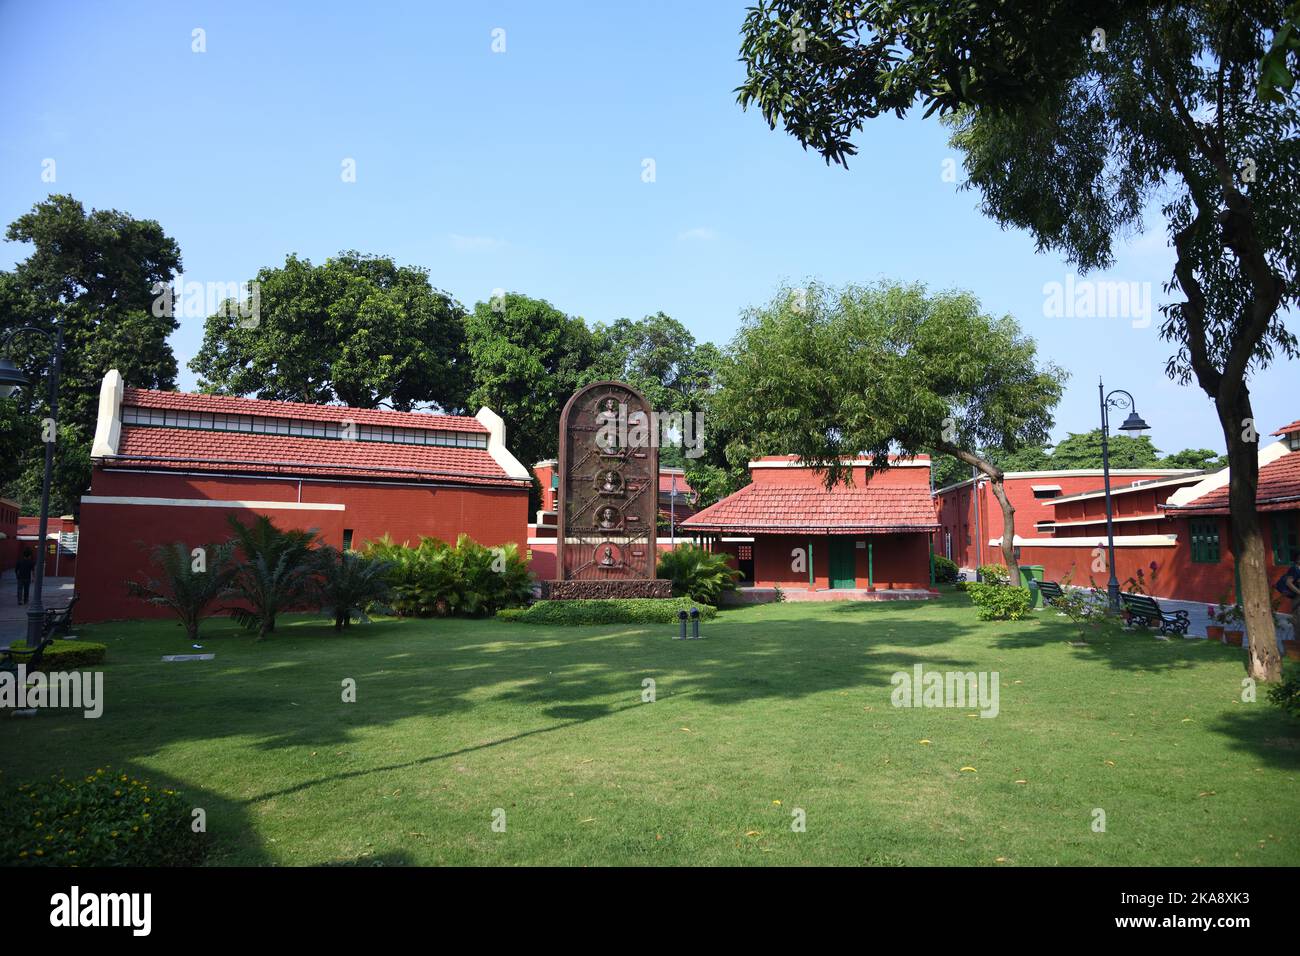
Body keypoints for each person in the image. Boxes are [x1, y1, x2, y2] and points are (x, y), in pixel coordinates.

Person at [1278, 550, 1300, 640]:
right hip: (1297, 599)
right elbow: (1288, 583)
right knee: (1298, 621)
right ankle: (1298, 643)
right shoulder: (1294, 569)